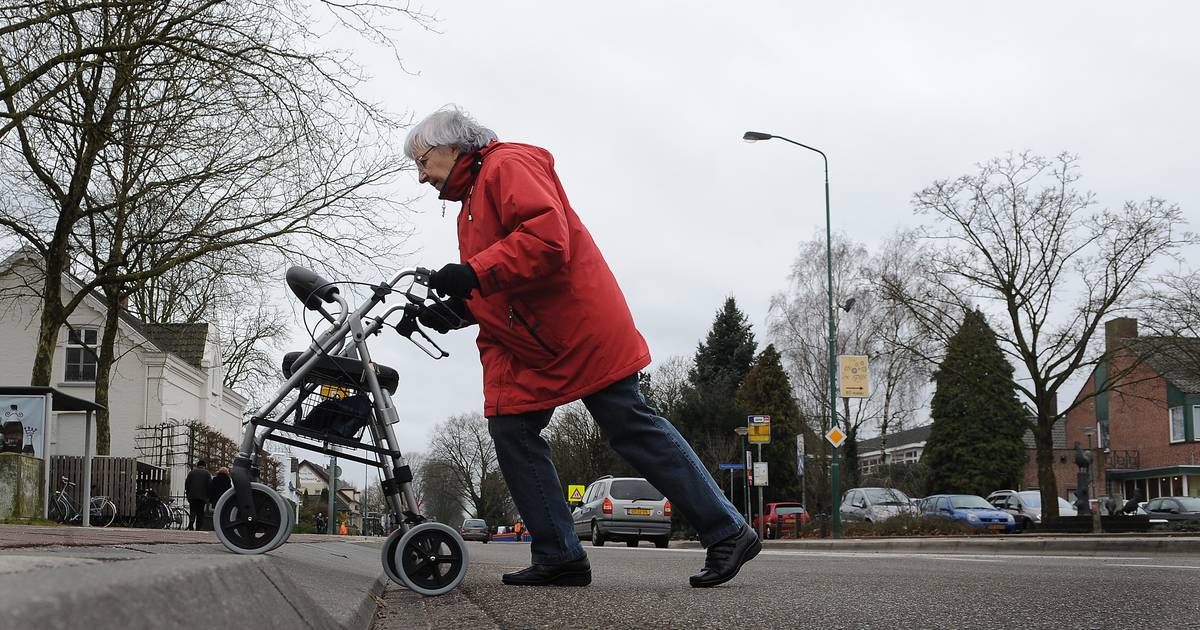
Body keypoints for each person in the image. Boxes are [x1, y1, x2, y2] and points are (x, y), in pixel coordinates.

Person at [408, 106, 757, 588]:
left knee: (628, 423)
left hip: (577, 326)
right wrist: (457, 310)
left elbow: (548, 239)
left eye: (422, 161)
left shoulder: (506, 165)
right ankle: (560, 555)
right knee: (512, 429)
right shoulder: (471, 200)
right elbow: (505, 278)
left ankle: (727, 530)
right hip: (536, 339)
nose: (421, 175)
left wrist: (473, 274)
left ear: (452, 147)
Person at [184, 460, 211, 531]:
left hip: (192, 496)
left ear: (197, 465)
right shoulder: (207, 473)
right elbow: (209, 485)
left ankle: (191, 521)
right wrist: (208, 496)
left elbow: (187, 483)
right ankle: (198, 527)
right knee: (200, 512)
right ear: (204, 466)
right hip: (202, 497)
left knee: (192, 510)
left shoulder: (191, 472)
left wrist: (188, 493)